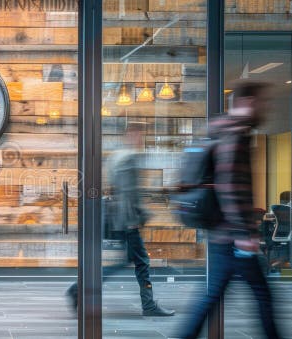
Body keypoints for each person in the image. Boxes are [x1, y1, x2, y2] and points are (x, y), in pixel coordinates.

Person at [176, 80, 280, 339]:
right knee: (262, 296)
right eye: (263, 102)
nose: (265, 107)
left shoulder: (219, 129)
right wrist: (244, 232)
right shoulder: (236, 133)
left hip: (221, 232)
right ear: (249, 102)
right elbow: (230, 183)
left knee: (213, 295)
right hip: (234, 236)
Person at [66, 122, 175, 317]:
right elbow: (128, 192)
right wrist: (136, 218)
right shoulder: (129, 158)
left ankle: (78, 288)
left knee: (130, 261)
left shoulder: (117, 157)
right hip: (128, 220)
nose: (142, 139)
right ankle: (148, 305)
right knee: (141, 261)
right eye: (140, 135)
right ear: (132, 135)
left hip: (121, 218)